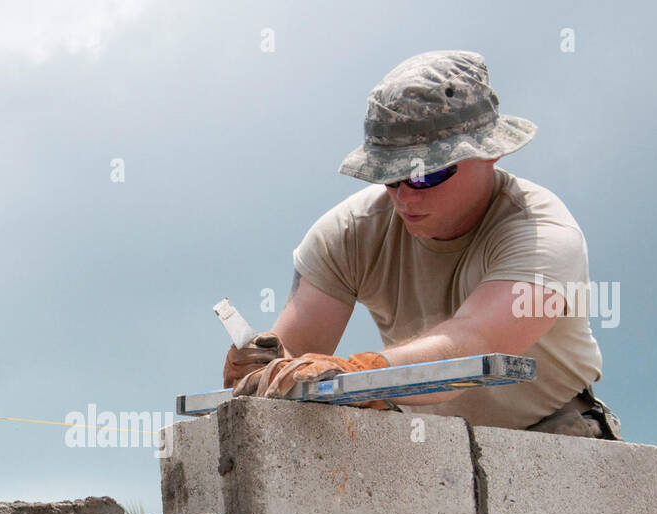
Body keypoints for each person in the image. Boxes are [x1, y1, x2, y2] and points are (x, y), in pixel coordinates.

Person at [224, 51, 622, 439]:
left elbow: (471, 348)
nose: (406, 198)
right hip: (430, 449)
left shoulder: (541, 234)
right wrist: (263, 371)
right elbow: (291, 367)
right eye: (391, 177)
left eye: (427, 176)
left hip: (555, 438)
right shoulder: (350, 233)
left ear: (491, 152)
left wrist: (355, 373)